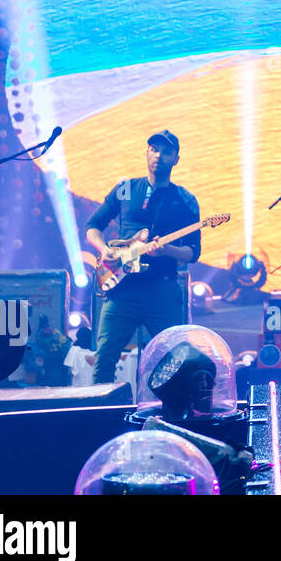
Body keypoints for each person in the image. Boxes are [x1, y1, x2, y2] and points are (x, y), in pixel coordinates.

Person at [84, 130, 200, 385]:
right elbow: (93, 226)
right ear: (146, 152)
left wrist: (167, 250)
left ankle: (169, 417)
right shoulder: (126, 189)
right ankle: (103, 418)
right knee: (104, 360)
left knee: (174, 362)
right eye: (154, 149)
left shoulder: (184, 199)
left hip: (161, 290)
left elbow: (193, 252)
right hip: (121, 289)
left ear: (176, 159)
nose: (158, 155)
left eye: (166, 152)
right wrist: (105, 250)